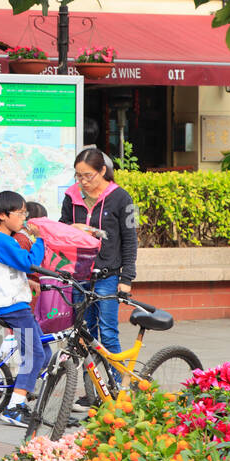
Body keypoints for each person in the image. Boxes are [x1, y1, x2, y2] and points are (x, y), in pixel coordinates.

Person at [60, 146, 138, 387]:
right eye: (78, 175)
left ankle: (118, 388)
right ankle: (92, 391)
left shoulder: (122, 197)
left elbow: (130, 239)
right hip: (79, 275)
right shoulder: (71, 197)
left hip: (108, 276)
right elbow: (62, 227)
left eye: (87, 176)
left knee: (108, 333)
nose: (82, 181)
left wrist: (127, 277)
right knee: (84, 336)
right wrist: (73, 229)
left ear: (103, 170)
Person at [0, 191, 49, 428]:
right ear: (3, 215)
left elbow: (12, 270)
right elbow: (27, 262)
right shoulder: (1, 240)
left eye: (24, 212)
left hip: (16, 303)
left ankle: (24, 389)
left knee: (44, 350)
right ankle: (14, 407)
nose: (24, 217)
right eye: (20, 213)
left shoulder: (7, 240)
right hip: (12, 306)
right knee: (36, 354)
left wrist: (28, 281)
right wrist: (40, 240)